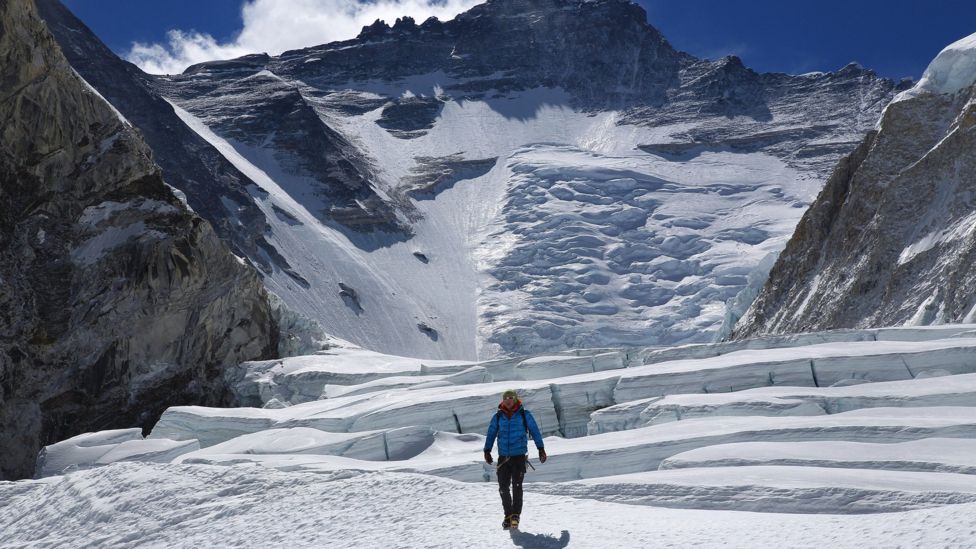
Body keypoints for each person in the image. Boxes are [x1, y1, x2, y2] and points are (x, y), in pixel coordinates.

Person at [483, 389, 547, 530]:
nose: (508, 400)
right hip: (503, 458)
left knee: (517, 486)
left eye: (511, 397)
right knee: (503, 488)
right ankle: (507, 515)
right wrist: (487, 450)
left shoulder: (524, 414)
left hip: (519, 457)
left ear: (516, 399)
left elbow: (535, 431)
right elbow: (491, 433)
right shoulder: (498, 416)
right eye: (506, 398)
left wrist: (540, 448)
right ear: (503, 400)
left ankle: (515, 516)